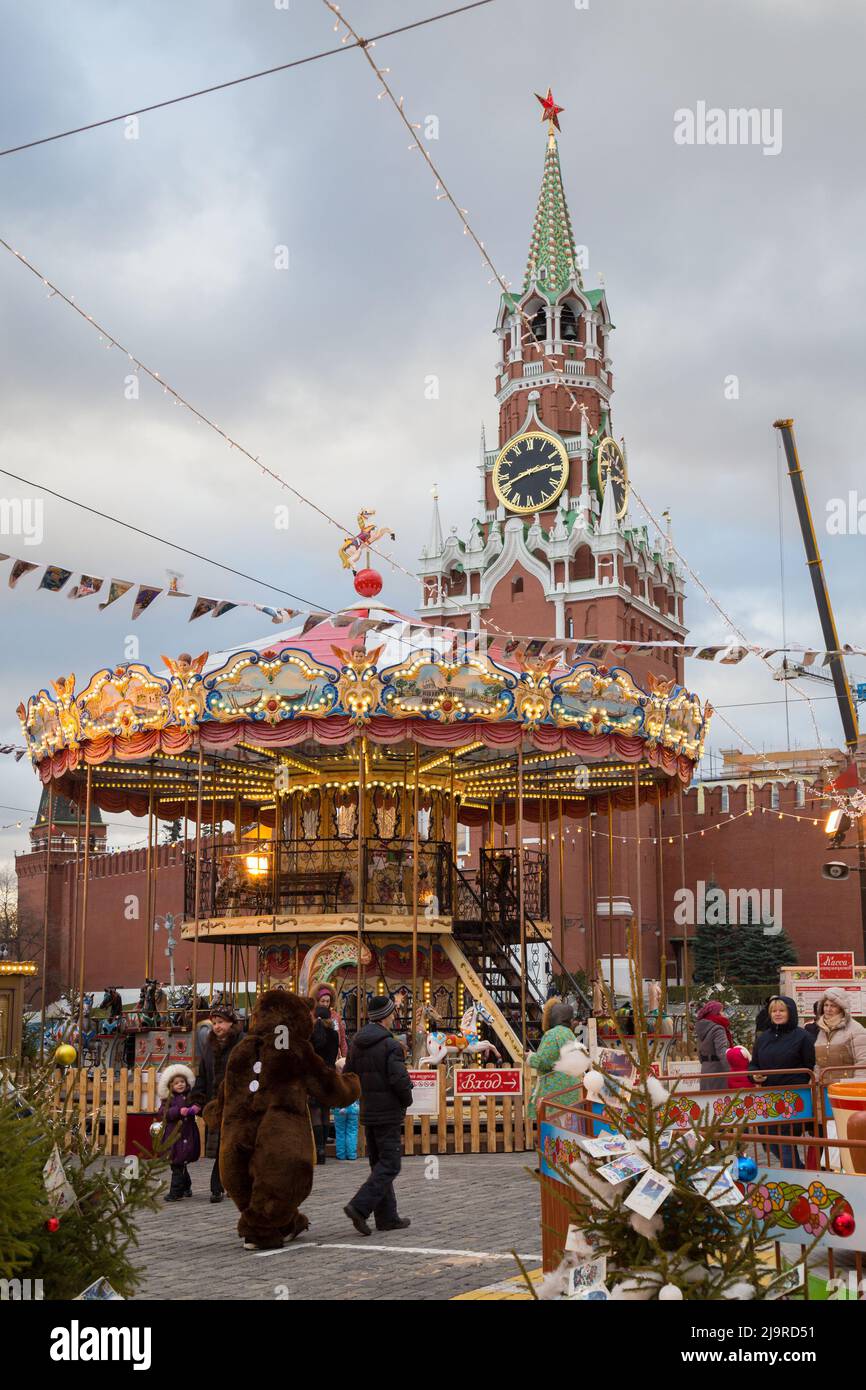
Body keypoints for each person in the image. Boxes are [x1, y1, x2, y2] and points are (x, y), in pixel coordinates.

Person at [344, 994, 413, 1237]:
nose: (395, 1016)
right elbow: (399, 1079)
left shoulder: (356, 1043)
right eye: (393, 1013)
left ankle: (387, 1218)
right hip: (388, 1112)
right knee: (390, 1163)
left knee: (379, 1164)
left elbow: (349, 1074)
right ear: (385, 1016)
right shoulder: (391, 1045)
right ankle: (360, 1206)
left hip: (369, 1111)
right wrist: (407, 1098)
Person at [750, 996, 816, 1168]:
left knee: (784, 1139)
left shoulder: (803, 1037)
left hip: (792, 1097)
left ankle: (794, 1178)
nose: (777, 1014)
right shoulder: (763, 1038)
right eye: (774, 1011)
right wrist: (754, 1074)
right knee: (768, 1138)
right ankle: (798, 1170)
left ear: (790, 1012)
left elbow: (809, 1066)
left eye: (781, 1010)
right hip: (768, 1096)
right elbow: (754, 1063)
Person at [190, 1004, 242, 1202]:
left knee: (231, 1146)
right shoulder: (209, 1046)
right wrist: (198, 1098)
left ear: (231, 1023)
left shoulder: (241, 1043)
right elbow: (202, 1075)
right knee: (223, 1145)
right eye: (214, 1023)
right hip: (216, 1103)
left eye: (221, 1022)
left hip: (236, 1103)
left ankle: (219, 1185)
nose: (217, 1027)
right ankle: (220, 1185)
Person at [527, 999, 580, 1121]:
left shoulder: (552, 1034)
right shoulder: (570, 1034)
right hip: (570, 1087)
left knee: (552, 1127)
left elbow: (544, 1061)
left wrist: (530, 1057)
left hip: (554, 1090)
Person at [156, 1064, 201, 1201]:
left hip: (188, 1133)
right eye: (176, 1083)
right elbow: (162, 1114)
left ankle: (176, 1193)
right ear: (171, 1085)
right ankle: (184, 1188)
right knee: (177, 1163)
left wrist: (196, 1108)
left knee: (180, 1163)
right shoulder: (168, 1099)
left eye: (182, 1082)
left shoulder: (190, 1096)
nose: (180, 1085)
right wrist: (177, 1111)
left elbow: (199, 1104)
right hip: (174, 1135)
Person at [812, 987, 866, 1081]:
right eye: (826, 1005)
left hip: (846, 1089)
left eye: (833, 1006)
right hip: (823, 1088)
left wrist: (857, 1085)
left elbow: (863, 1061)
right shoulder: (823, 1029)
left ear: (842, 1008)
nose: (828, 1009)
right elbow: (818, 1064)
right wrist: (815, 1083)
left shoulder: (856, 1029)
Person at [310, 1005, 339, 1163]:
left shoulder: (311, 1034)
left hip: (314, 1076)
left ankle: (319, 1148)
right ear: (329, 1018)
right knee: (326, 1111)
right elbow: (334, 1055)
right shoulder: (334, 1035)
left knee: (315, 1111)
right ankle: (324, 1149)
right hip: (329, 1075)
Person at [695, 1000, 733, 1090]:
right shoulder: (718, 1029)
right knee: (719, 1101)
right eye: (721, 1011)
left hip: (705, 1069)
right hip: (718, 1071)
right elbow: (722, 1052)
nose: (723, 1014)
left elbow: (699, 1051)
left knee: (706, 1101)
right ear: (716, 1013)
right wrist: (731, 1071)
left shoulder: (703, 1027)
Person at [313, 983, 347, 1058]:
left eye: (327, 1001)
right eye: (323, 1001)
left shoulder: (335, 1016)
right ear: (317, 1001)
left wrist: (345, 1057)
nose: (325, 1004)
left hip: (334, 1054)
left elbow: (342, 1037)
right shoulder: (312, 1016)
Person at [333, 1096, 360, 1161]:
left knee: (340, 1132)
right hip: (353, 1108)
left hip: (339, 1108)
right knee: (352, 1132)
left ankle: (341, 1155)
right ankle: (352, 1155)